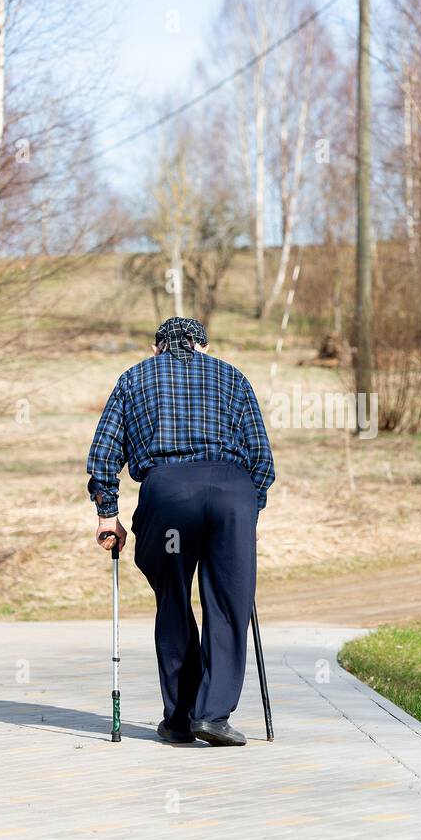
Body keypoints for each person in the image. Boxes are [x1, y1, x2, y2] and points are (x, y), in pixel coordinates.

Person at [86, 317, 275, 747]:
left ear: (157, 348)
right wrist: (252, 514)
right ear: (202, 346)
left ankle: (178, 719)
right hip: (231, 494)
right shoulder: (232, 376)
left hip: (168, 494)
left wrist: (107, 514)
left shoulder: (134, 378)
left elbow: (103, 454)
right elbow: (261, 459)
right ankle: (212, 716)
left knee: (173, 599)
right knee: (228, 605)